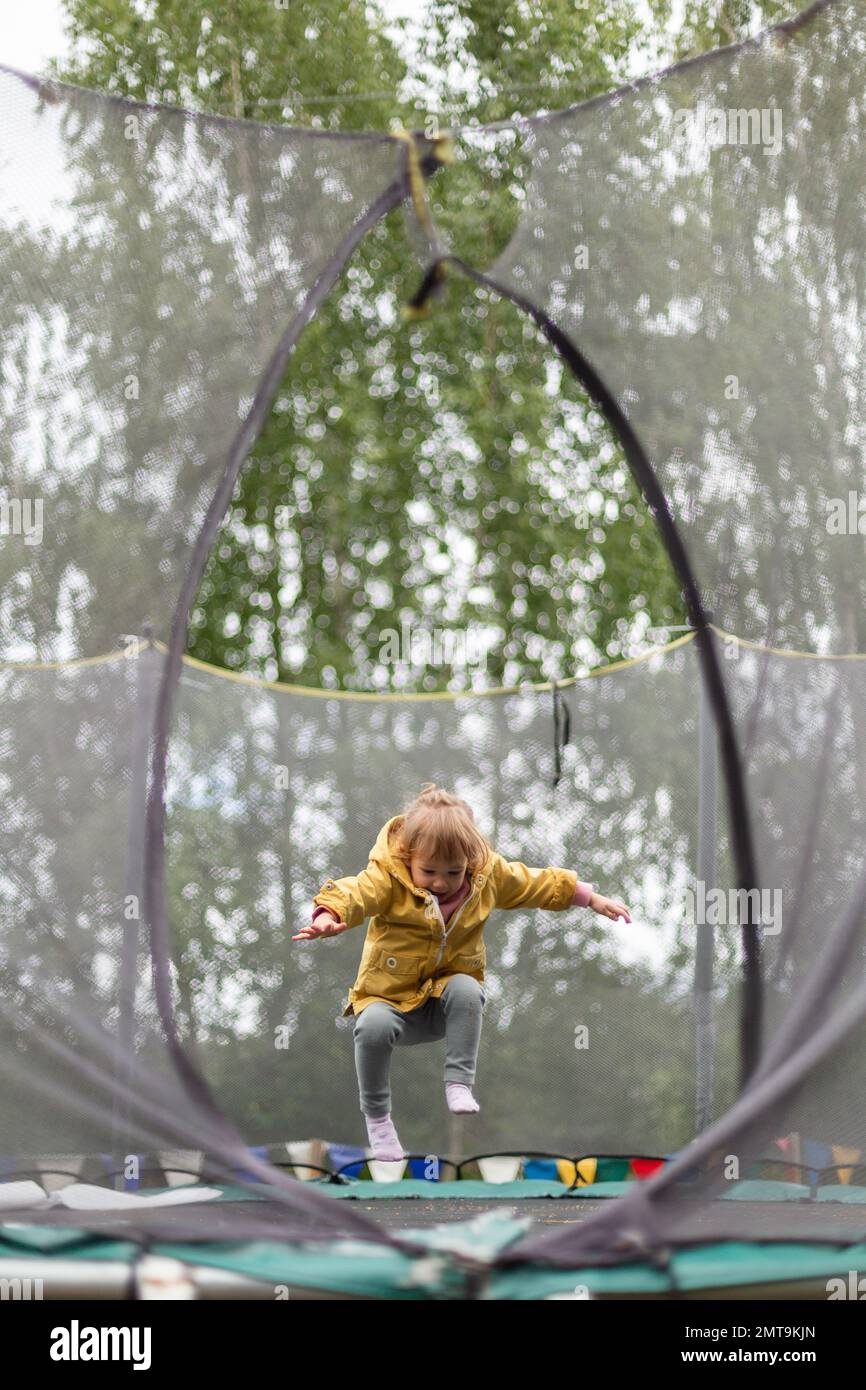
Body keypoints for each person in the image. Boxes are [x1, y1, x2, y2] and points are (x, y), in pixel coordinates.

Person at [293, 783, 632, 1160]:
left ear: (469, 861)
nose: (440, 882)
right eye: (429, 871)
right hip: (388, 1000)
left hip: (443, 1005)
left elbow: (535, 882)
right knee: (371, 1027)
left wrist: (590, 898)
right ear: (407, 856)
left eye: (453, 872)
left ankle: (458, 1083)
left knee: (468, 989)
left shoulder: (488, 878)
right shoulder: (389, 877)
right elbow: (356, 890)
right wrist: (330, 913)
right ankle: (378, 1120)